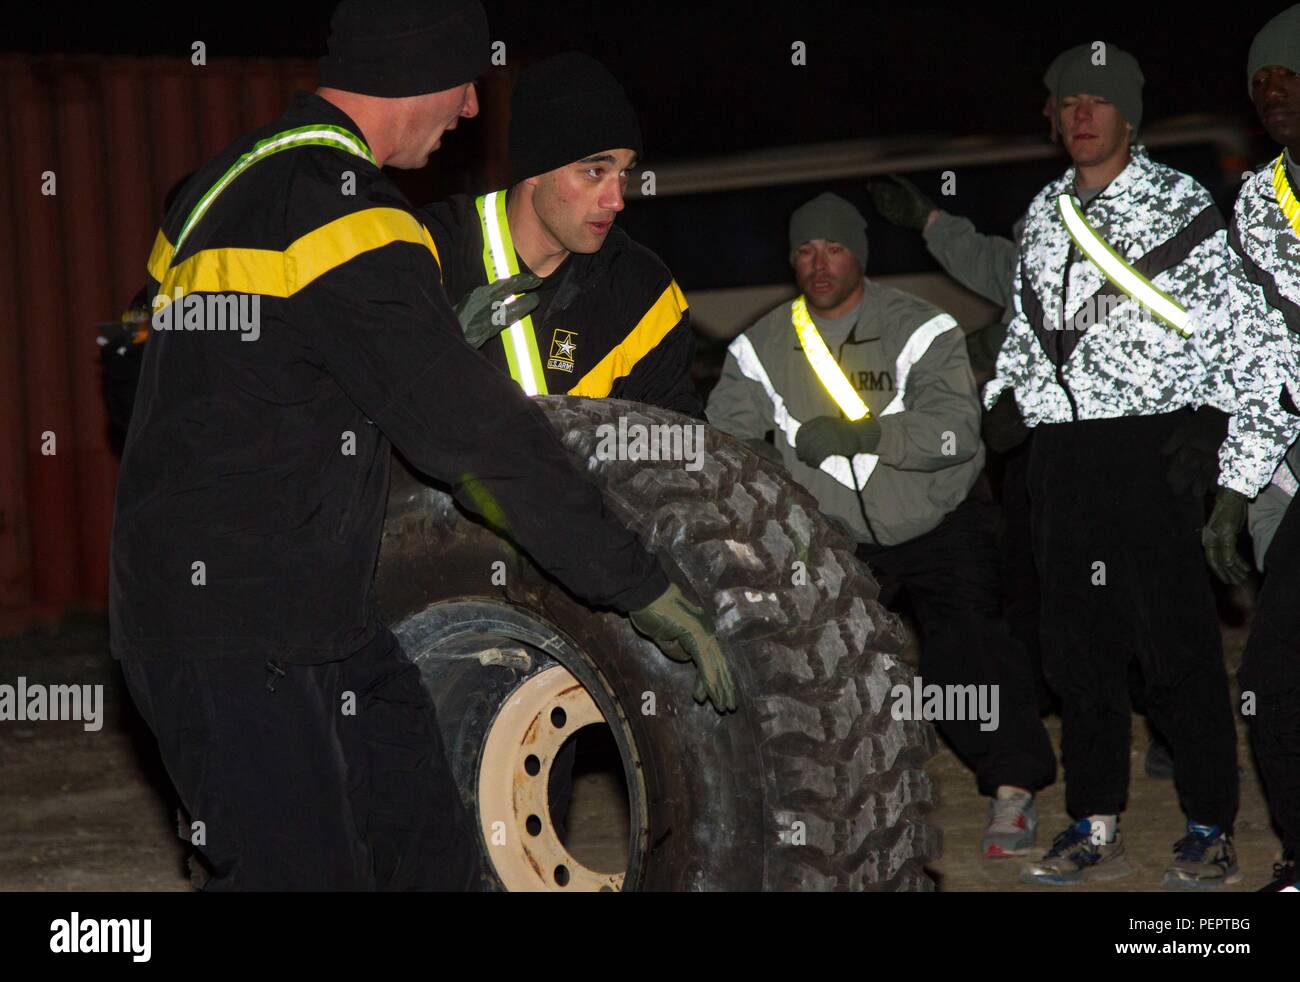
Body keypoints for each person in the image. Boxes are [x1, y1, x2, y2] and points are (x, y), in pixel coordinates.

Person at [110, 0, 734, 892]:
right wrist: (636, 586)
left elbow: (140, 382)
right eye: (468, 86)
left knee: (429, 844)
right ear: (417, 75)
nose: (474, 113)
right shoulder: (354, 218)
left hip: (317, 615)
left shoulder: (209, 190)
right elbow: (475, 434)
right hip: (236, 630)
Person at [706, 192, 1056, 858]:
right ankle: (841, 810)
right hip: (837, 537)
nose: (820, 262)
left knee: (967, 652)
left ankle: (1012, 790)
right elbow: (728, 438)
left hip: (942, 518)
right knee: (826, 669)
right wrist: (776, 487)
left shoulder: (922, 327)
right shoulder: (761, 345)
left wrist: (860, 434)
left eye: (834, 247)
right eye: (805, 249)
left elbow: (955, 433)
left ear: (859, 255)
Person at [985, 44, 1240, 887]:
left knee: (1176, 649)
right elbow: (1025, 331)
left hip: (1153, 449)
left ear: (1130, 116)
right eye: (1068, 101)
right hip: (1064, 459)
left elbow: (1229, 324)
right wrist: (1007, 400)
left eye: (1099, 100)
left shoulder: (1182, 202)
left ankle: (1209, 823)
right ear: (1054, 118)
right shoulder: (1045, 210)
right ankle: (1094, 822)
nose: (1082, 113)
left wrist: (1208, 426)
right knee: (1078, 651)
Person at [420, 52, 700, 416]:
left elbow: (676, 444)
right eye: (595, 172)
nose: (616, 201)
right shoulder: (426, 251)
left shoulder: (642, 292)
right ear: (534, 169)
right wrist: (432, 359)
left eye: (624, 174)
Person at [1203, 3, 1300, 892]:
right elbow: (1262, 363)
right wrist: (1236, 489)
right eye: (1261, 80)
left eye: (1291, 73)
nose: (1274, 91)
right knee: (1271, 678)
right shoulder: (1259, 205)